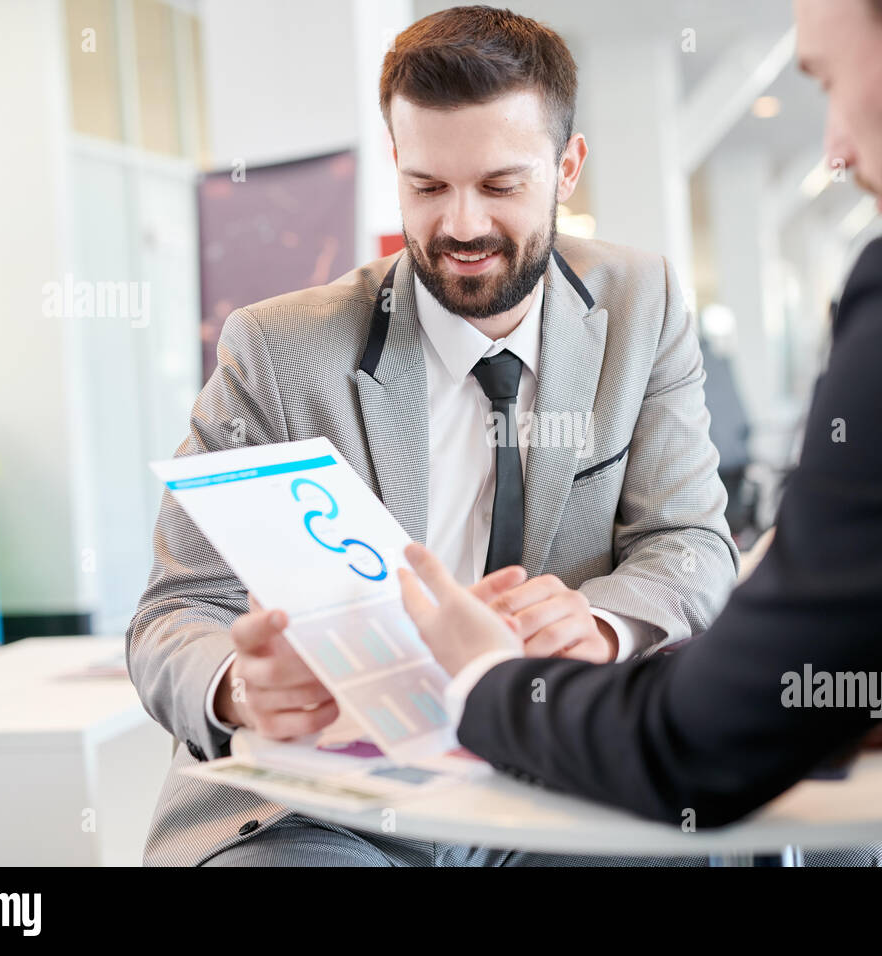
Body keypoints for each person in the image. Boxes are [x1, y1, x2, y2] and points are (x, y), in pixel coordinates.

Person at [397, 0, 882, 866]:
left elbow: (697, 752)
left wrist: (484, 679)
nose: (836, 149)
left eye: (832, 83)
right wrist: (842, 635)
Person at [126, 5, 742, 867]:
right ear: (397, 167)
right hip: (328, 801)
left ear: (567, 169)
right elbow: (174, 611)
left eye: (499, 186)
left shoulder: (645, 306)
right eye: (427, 187)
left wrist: (601, 627)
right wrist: (237, 688)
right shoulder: (277, 348)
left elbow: (689, 542)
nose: (459, 227)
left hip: (558, 764)